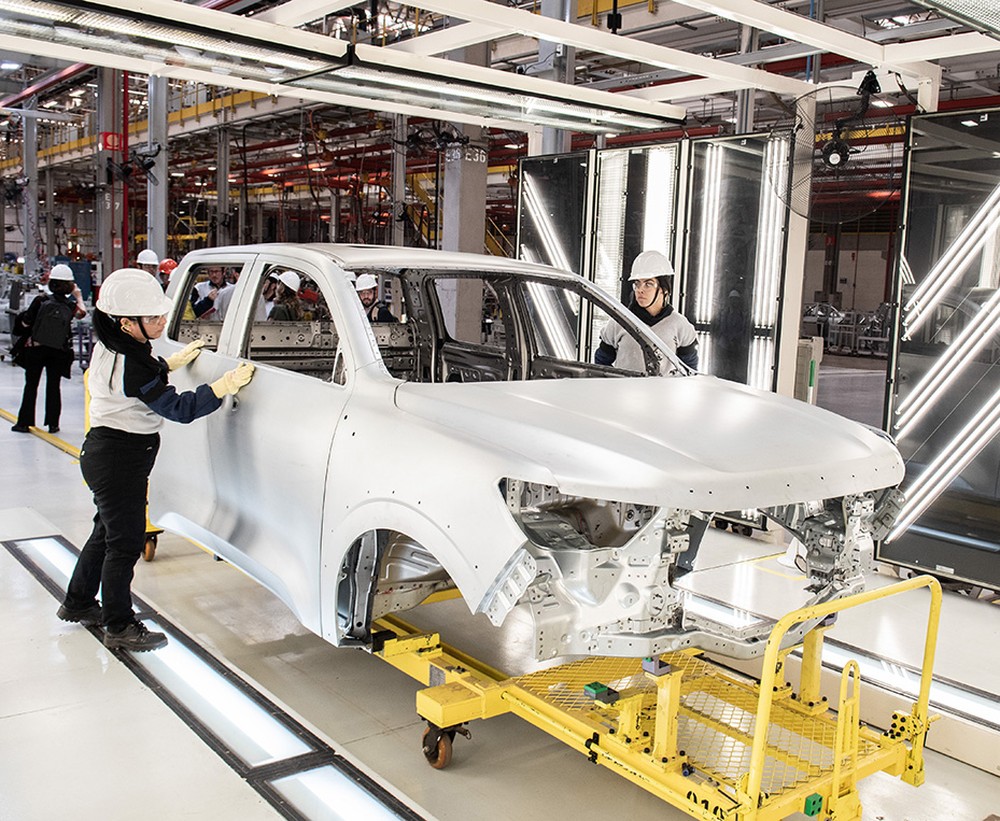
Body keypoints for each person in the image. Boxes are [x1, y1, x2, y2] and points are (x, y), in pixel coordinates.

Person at [56, 268, 255, 652]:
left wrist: (171, 363)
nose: (162, 322)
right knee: (124, 544)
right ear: (126, 322)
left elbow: (139, 378)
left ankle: (78, 602)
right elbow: (178, 409)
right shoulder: (134, 361)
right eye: (153, 318)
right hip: (120, 460)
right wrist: (220, 387)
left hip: (104, 453)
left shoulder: (113, 346)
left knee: (105, 533)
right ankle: (119, 624)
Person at [11, 263, 87, 434]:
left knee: (31, 385)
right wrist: (79, 296)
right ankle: (53, 424)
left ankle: (24, 423)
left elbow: (26, 323)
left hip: (35, 349)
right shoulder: (69, 305)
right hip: (58, 351)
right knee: (54, 386)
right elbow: (82, 314)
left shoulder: (41, 300)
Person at [595, 251, 698, 372]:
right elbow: (601, 364)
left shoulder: (679, 325)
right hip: (625, 390)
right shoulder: (618, 322)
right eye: (637, 284)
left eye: (648, 284)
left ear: (664, 289)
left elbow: (690, 370)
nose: (640, 290)